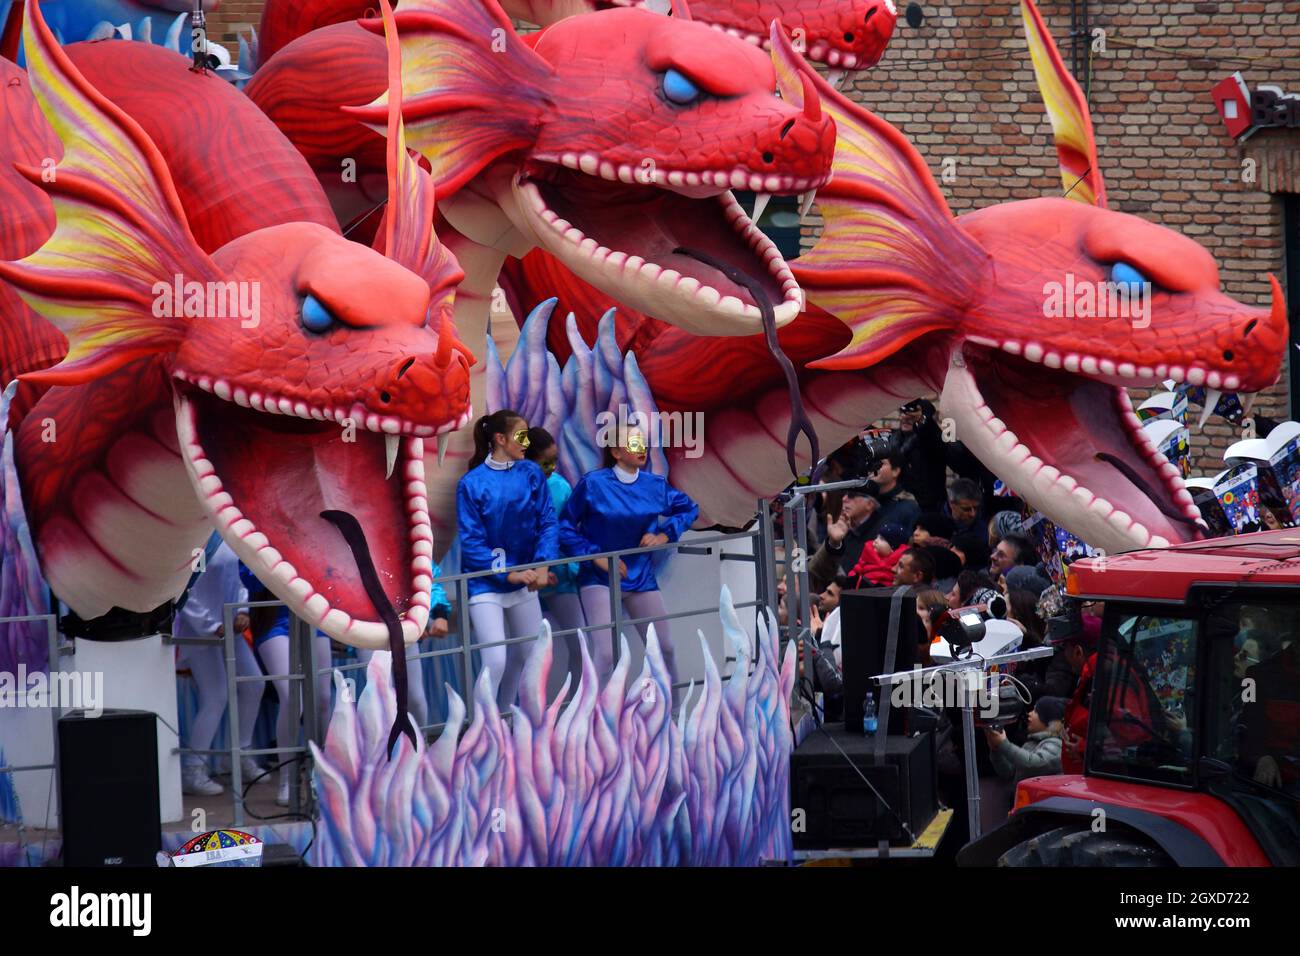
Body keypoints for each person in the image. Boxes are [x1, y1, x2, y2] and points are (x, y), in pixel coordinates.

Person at [560, 427, 698, 694]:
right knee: (605, 655)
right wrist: (595, 556)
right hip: (598, 578)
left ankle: (673, 711)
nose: (642, 449)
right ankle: (596, 721)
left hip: (640, 576)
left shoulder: (654, 485)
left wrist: (664, 534)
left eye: (643, 443)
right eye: (634, 444)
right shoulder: (592, 484)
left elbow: (689, 507)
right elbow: (565, 527)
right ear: (615, 452)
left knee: (664, 647)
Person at [458, 409, 559, 709]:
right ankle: (481, 731)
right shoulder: (471, 484)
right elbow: (471, 542)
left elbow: (548, 522)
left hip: (524, 583)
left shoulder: (531, 474)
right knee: (495, 659)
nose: (527, 443)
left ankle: (512, 720)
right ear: (499, 439)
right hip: (485, 585)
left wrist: (542, 565)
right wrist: (508, 574)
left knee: (533, 656)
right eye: (521, 436)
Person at [174, 540, 262, 797]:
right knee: (216, 696)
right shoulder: (192, 538)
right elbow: (183, 590)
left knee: (254, 684)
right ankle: (193, 770)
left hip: (229, 627)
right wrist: (211, 626)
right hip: (200, 632)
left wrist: (242, 611)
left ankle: (239, 755)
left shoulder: (225, 535)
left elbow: (237, 581)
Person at [244, 568, 334, 806]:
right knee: (292, 697)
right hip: (275, 617)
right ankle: (287, 777)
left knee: (323, 697)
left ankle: (325, 772)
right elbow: (250, 577)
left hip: (313, 615)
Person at [525, 426, 587, 694]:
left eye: (555, 460)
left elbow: (569, 531)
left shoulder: (561, 486)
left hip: (559, 576)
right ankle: (526, 711)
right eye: (544, 462)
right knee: (526, 651)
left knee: (580, 642)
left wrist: (570, 567)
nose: (551, 467)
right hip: (523, 580)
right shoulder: (513, 488)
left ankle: (574, 707)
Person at [809, 486, 879, 593]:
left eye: (851, 495)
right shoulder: (840, 527)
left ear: (869, 504)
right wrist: (833, 543)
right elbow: (818, 572)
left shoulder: (878, 537)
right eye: (845, 494)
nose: (844, 499)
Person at [986, 696, 1066, 786]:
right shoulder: (1032, 743)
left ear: (1047, 719)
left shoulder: (1056, 745)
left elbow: (1032, 764)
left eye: (1035, 711)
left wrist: (1004, 744)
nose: (1030, 714)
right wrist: (996, 749)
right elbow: (1008, 773)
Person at [893, 399, 949, 511]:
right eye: (903, 413)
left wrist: (923, 421)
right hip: (901, 506)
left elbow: (932, 434)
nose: (906, 417)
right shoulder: (895, 439)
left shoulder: (930, 439)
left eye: (912, 415)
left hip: (929, 508)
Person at [865, 453, 921, 534]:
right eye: (871, 462)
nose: (873, 467)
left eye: (881, 463)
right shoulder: (862, 499)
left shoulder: (908, 507)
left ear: (895, 471)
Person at [846, 522, 909, 587]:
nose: (876, 540)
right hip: (862, 589)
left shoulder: (899, 563)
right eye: (877, 537)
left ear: (892, 548)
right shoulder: (868, 555)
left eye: (881, 539)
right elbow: (856, 570)